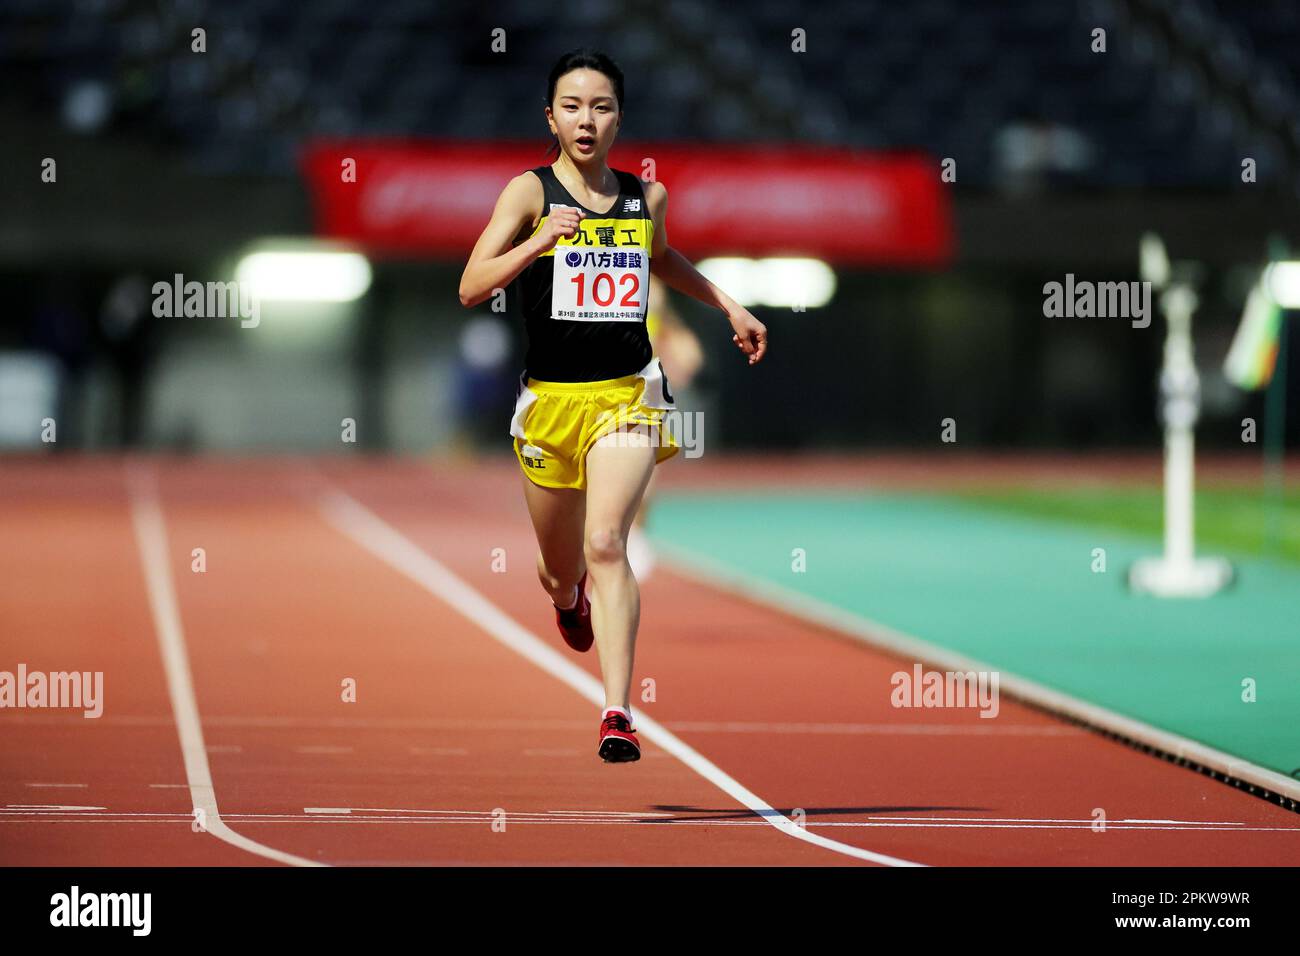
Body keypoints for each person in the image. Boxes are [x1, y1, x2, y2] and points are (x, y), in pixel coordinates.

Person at [458, 48, 767, 762]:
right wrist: (539, 241)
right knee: (559, 566)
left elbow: (664, 260)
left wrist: (730, 305)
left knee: (606, 542)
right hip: (549, 406)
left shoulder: (644, 197)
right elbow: (472, 285)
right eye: (572, 106)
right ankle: (568, 603)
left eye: (600, 106)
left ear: (619, 117)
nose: (586, 119)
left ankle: (618, 713)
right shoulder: (528, 193)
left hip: (627, 395)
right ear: (551, 117)